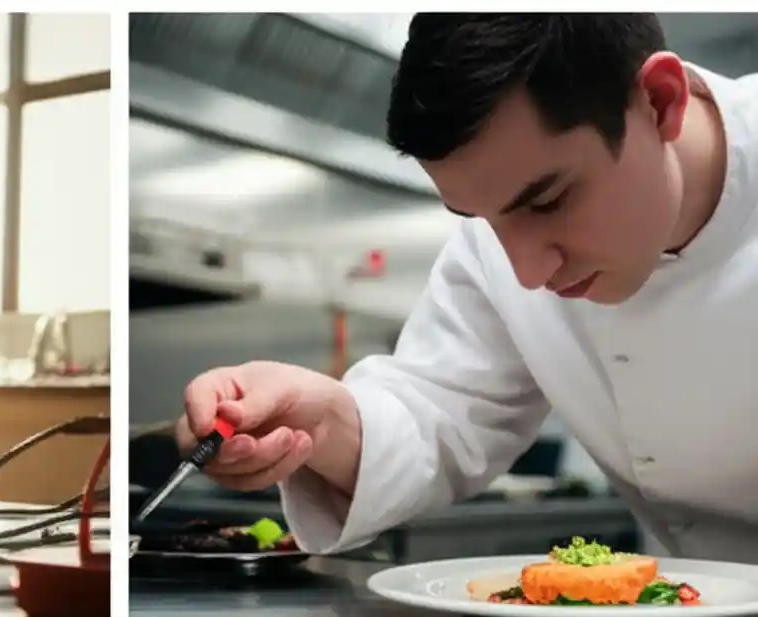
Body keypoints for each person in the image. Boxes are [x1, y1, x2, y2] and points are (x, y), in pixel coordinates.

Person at [178, 13, 758, 561]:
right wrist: (321, 421)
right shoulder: (495, 251)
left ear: (660, 101)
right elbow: (442, 415)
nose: (528, 273)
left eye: (549, 201)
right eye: (483, 219)